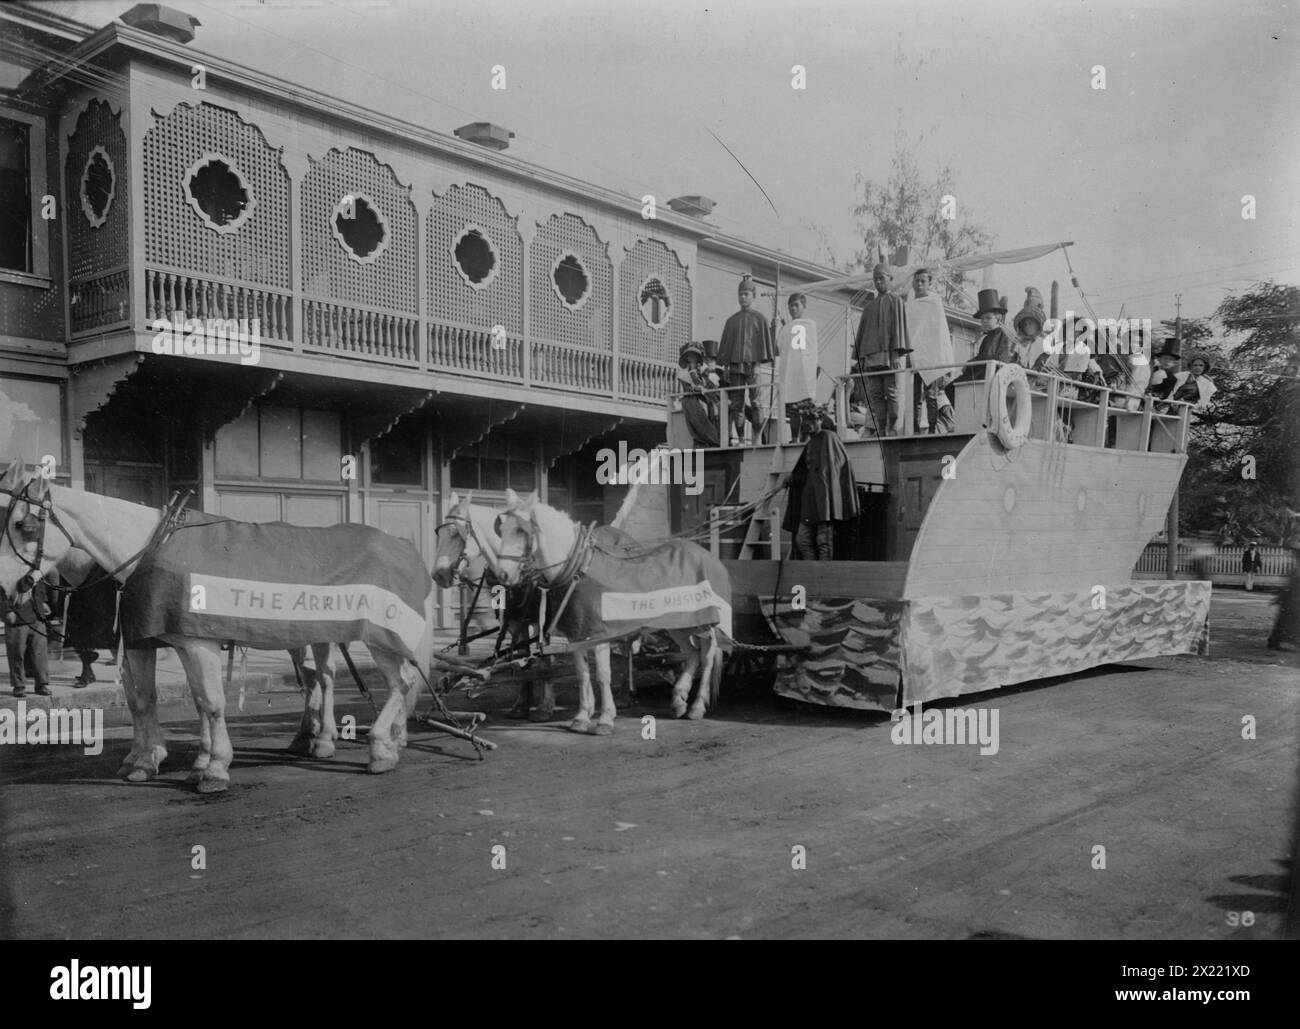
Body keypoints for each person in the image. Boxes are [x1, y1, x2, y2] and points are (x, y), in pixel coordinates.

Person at [782, 410, 859, 560]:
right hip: (810, 501)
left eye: (812, 421)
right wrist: (792, 478)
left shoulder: (829, 438)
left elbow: (834, 471)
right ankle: (813, 570)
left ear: (819, 421)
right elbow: (807, 472)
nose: (808, 424)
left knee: (823, 541)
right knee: (802, 540)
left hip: (826, 501)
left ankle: (823, 574)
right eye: (806, 421)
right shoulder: (811, 443)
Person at [851, 262, 910, 436]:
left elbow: (898, 331)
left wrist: (895, 354)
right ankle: (882, 428)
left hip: (888, 356)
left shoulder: (896, 301)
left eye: (882, 278)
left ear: (890, 279)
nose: (878, 282)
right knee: (875, 395)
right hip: (871, 357)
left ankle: (892, 426)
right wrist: (861, 357)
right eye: (875, 279)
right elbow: (863, 334)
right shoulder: (869, 307)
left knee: (891, 393)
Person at [718, 274, 775, 446]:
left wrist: (758, 364)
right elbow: (726, 349)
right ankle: (741, 438)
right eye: (740, 294)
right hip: (736, 367)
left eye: (746, 294)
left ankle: (757, 439)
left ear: (753, 296)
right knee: (737, 404)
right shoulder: (731, 321)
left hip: (753, 366)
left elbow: (765, 346)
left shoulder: (760, 319)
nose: (743, 297)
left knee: (756, 402)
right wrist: (727, 366)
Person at [906, 266, 957, 433]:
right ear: (913, 283)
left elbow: (939, 333)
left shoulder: (934, 302)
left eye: (923, 281)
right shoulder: (909, 304)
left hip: (932, 356)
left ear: (929, 284)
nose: (919, 284)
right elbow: (910, 330)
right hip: (915, 355)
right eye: (917, 281)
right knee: (914, 397)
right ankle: (914, 429)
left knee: (931, 395)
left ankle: (933, 428)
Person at [775, 292, 819, 442]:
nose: (793, 309)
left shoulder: (807, 324)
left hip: (803, 373)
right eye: (791, 306)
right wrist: (780, 328)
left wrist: (787, 327)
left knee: (805, 408)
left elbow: (799, 346)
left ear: (804, 306)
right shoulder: (787, 328)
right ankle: (794, 438)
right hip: (791, 373)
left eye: (796, 305)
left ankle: (806, 438)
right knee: (793, 410)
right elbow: (779, 349)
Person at [957, 289, 1016, 383]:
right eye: (982, 319)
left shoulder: (998, 333)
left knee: (952, 387)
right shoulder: (989, 336)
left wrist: (969, 364)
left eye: (988, 318)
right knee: (954, 385)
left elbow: (988, 355)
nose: (984, 321)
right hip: (984, 370)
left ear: (998, 318)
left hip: (989, 372)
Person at [676, 341, 721, 449]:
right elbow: (688, 388)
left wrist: (704, 386)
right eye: (690, 356)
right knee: (696, 409)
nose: (692, 358)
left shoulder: (704, 371)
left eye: (694, 355)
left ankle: (716, 439)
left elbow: (709, 386)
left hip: (707, 398)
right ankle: (706, 440)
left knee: (716, 409)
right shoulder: (682, 373)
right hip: (691, 398)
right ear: (686, 358)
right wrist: (697, 388)